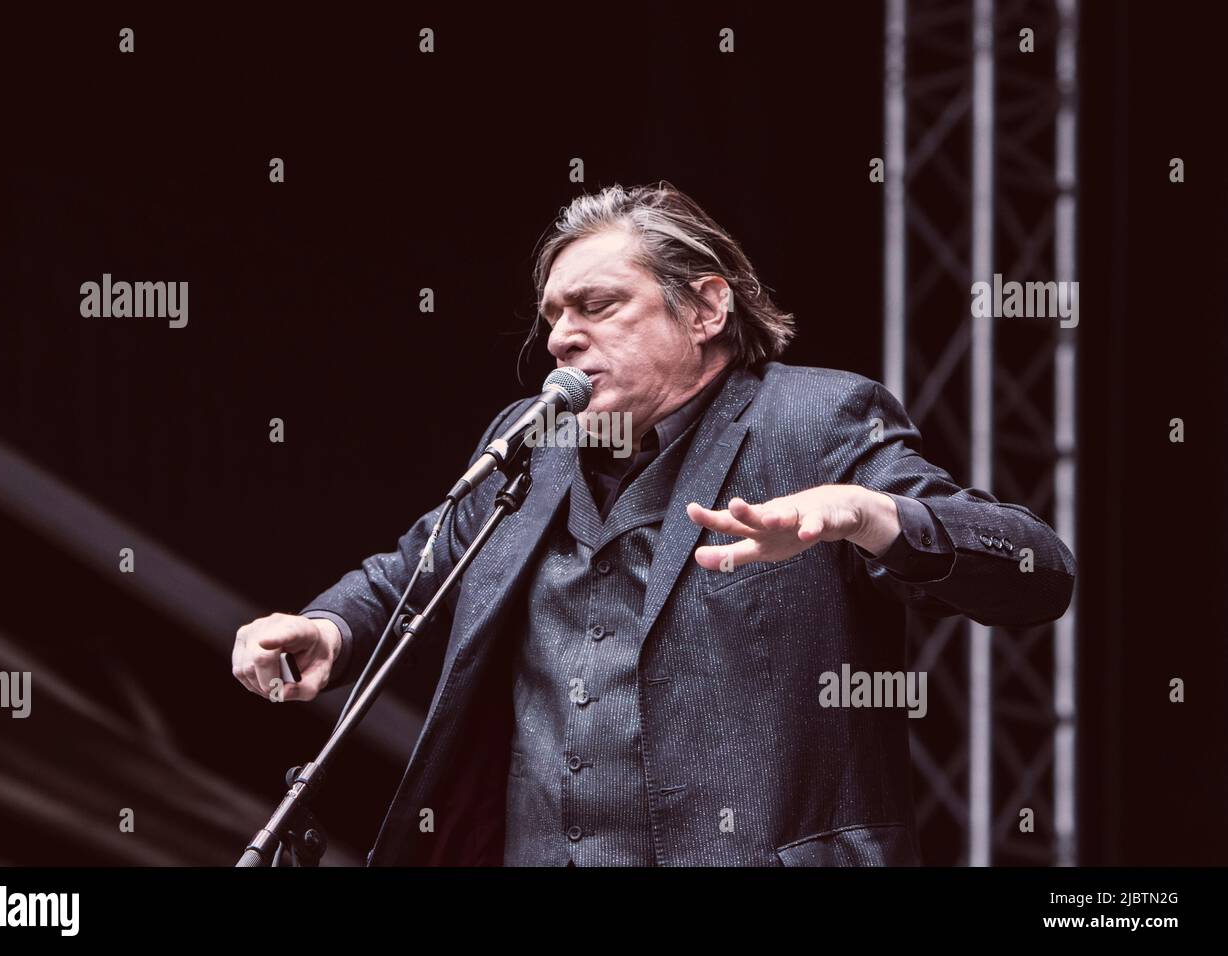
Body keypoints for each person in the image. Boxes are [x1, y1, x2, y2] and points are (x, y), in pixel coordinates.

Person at [231, 182, 1076, 866]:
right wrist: (329, 626)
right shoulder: (530, 444)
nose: (561, 337)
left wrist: (869, 513)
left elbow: (1038, 572)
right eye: (552, 315)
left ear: (707, 309)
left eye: (595, 306)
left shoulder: (815, 420)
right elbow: (417, 568)